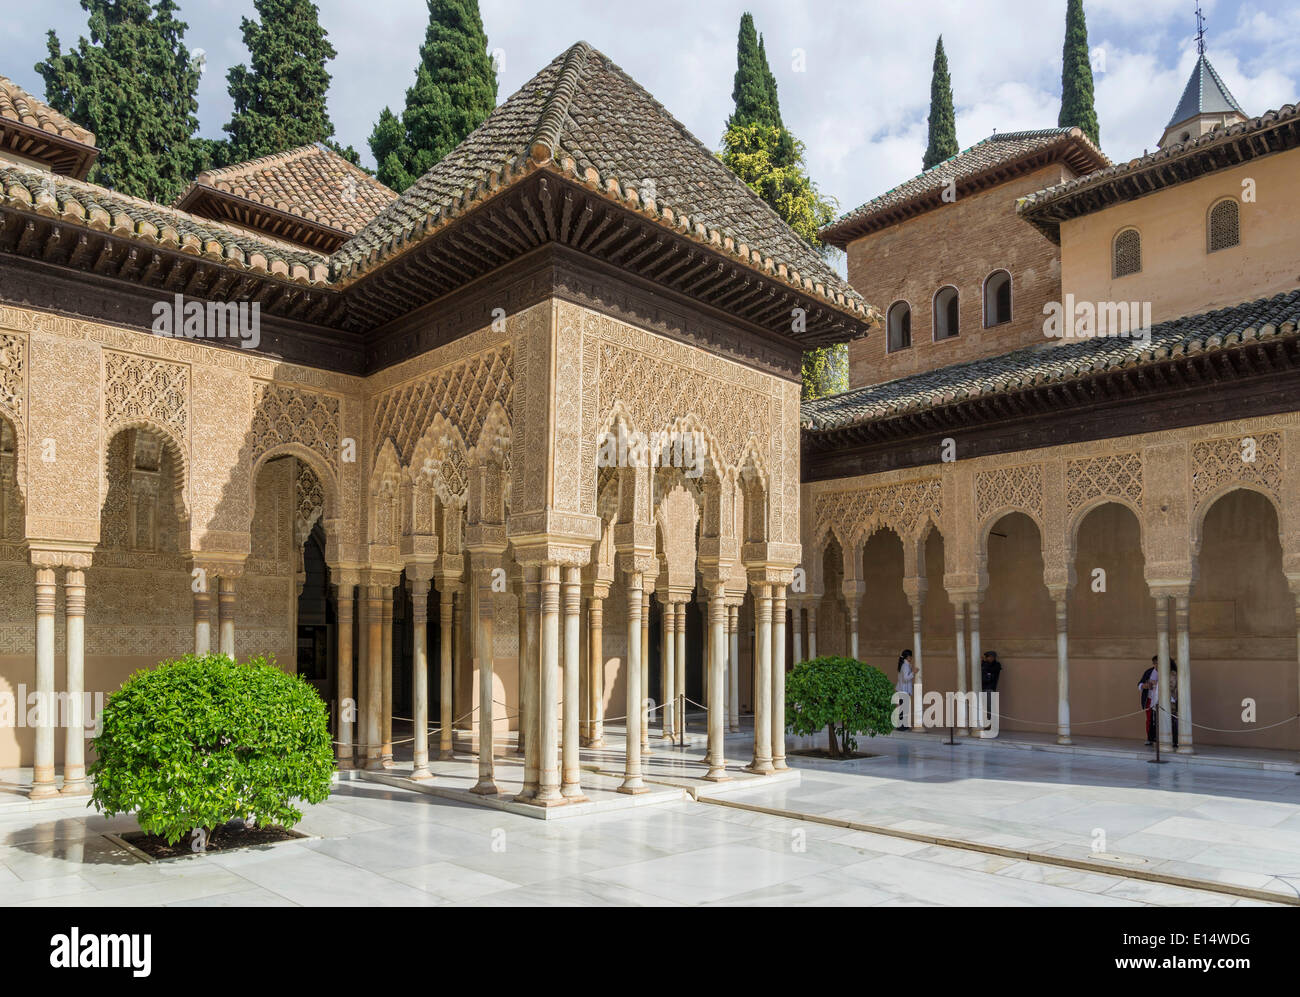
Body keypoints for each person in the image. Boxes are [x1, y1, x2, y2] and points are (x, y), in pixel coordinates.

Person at [1138, 656, 1158, 745]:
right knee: (1149, 720)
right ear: (1153, 663)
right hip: (1149, 699)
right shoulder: (1149, 672)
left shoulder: (1169, 672)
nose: (1158, 665)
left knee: (1163, 720)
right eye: (1156, 663)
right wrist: (1145, 686)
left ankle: (1166, 739)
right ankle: (1149, 738)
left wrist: (1156, 683)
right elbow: (1140, 684)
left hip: (1162, 700)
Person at [896, 650, 915, 731]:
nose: (912, 658)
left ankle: (903, 725)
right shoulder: (905, 665)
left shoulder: (904, 665)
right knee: (903, 708)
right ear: (908, 657)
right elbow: (906, 678)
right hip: (904, 690)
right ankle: (901, 726)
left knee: (903, 708)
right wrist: (914, 672)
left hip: (901, 689)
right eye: (911, 656)